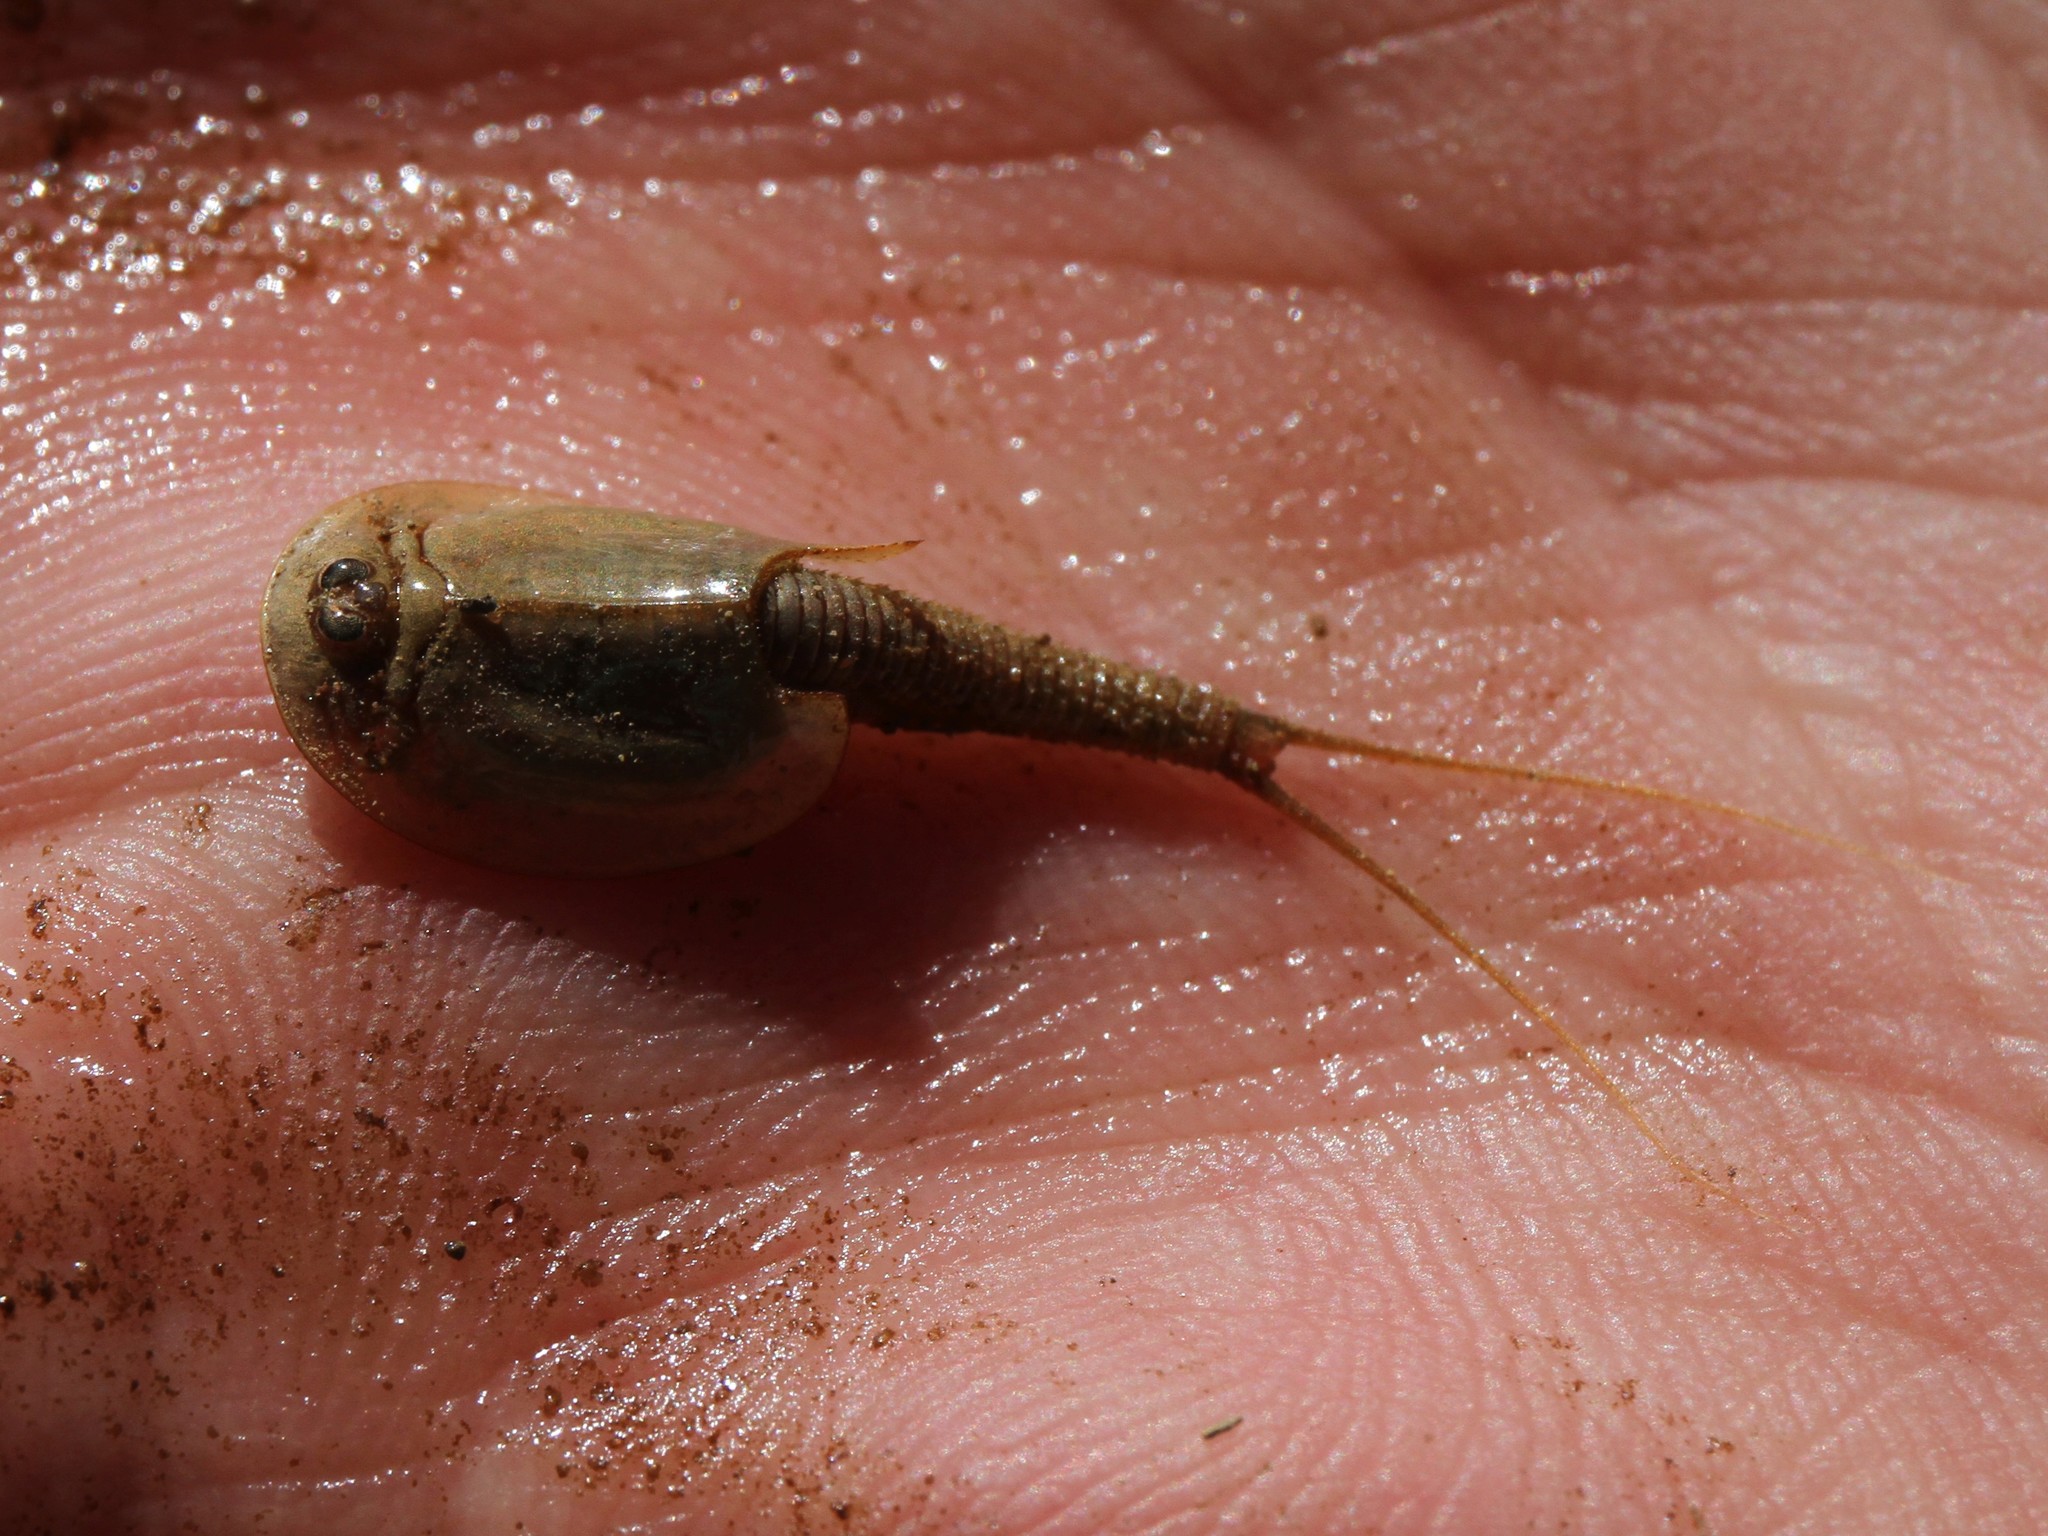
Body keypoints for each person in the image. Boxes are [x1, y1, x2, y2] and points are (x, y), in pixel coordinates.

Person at [4, 2, 2042, 1530]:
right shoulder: (417, 614)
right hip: (793, 653)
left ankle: (1240, 750)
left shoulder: (407, 624)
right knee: (894, 661)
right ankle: (1242, 752)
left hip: (796, 650)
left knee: (960, 676)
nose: (364, 614)